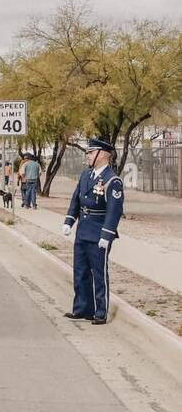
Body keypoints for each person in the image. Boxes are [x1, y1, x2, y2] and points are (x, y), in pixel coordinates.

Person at [62, 139, 124, 325]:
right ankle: (82, 308)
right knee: (80, 272)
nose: (87, 156)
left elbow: (114, 211)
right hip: (82, 231)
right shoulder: (86, 175)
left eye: (91, 152)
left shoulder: (112, 181)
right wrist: (69, 221)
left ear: (102, 154)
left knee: (98, 274)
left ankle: (100, 312)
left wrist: (107, 234)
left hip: (98, 233)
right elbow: (76, 200)